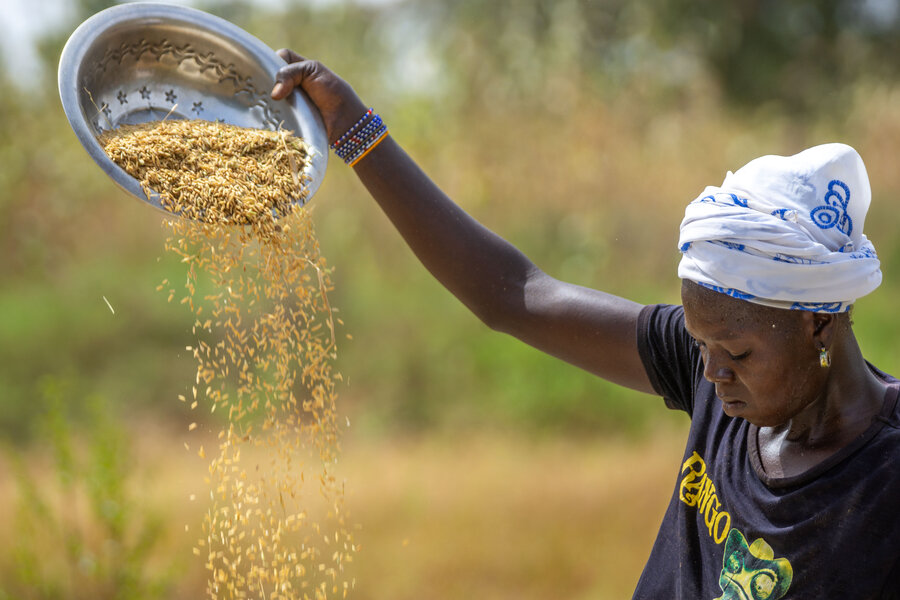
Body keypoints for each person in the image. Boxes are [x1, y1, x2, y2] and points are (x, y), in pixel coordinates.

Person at [271, 51, 900, 599]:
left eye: (735, 351)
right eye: (700, 342)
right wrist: (352, 125)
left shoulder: (882, 486)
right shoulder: (714, 376)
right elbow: (515, 296)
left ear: (819, 322)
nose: (710, 372)